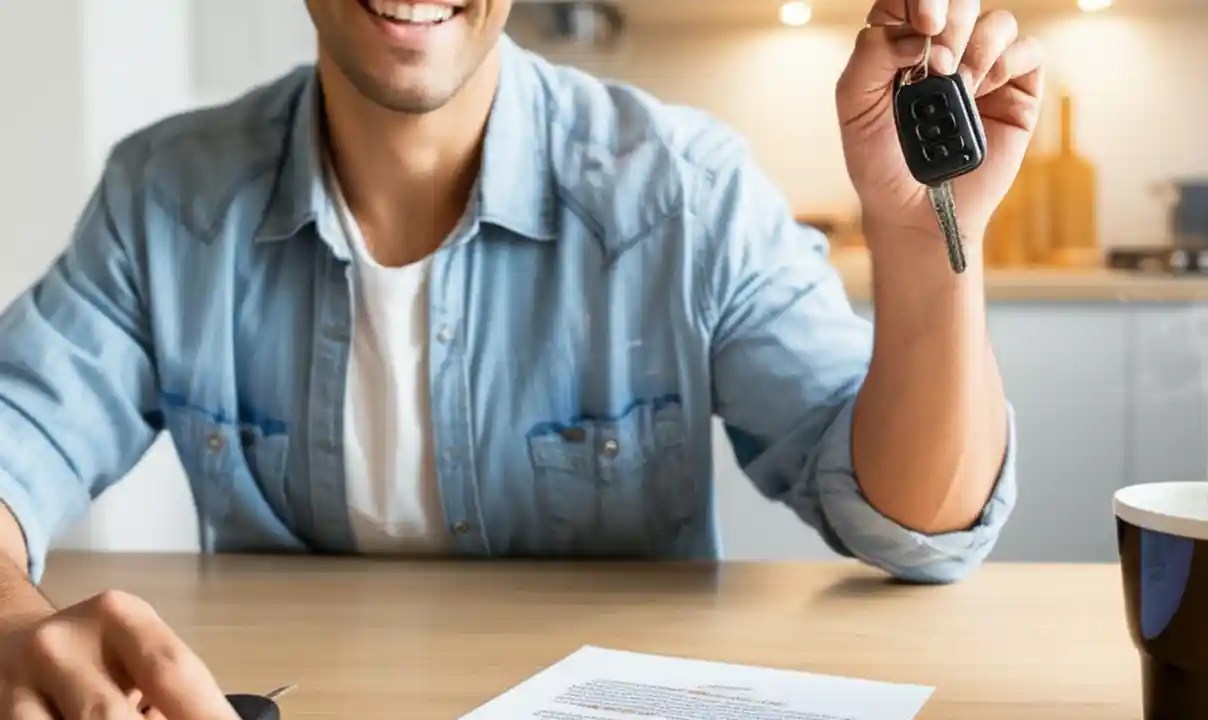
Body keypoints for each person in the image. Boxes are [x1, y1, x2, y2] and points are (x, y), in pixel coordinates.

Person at [0, 0, 1042, 716]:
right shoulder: (164, 196)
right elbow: (17, 435)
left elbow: (916, 527)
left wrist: (924, 242)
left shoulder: (685, 189)